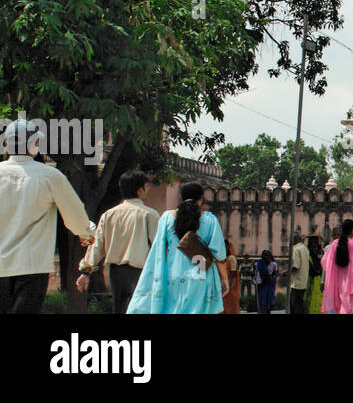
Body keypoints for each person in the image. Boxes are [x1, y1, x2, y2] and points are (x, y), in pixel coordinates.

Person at [0, 120, 96, 314]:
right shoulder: (49, 176)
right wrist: (86, 233)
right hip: (32, 264)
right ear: (34, 144)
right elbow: (73, 211)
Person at [127, 182, 227, 314]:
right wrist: (225, 279)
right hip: (202, 276)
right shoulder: (210, 220)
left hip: (172, 277)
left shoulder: (167, 218)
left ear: (181, 197)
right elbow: (219, 254)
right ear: (201, 198)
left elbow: (159, 250)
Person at [75, 169, 159, 314]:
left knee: (119, 309)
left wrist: (85, 271)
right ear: (140, 190)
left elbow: (97, 245)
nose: (149, 189)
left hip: (116, 272)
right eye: (147, 186)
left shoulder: (109, 215)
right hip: (140, 271)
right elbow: (158, 247)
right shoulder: (149, 214)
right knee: (140, 309)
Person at [322, 220, 353, 314]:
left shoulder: (335, 243)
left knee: (341, 307)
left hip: (339, 283)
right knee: (352, 308)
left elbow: (326, 263)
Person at [289, 233, 309, 314]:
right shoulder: (305, 248)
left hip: (296, 284)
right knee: (300, 306)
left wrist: (286, 271)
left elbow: (295, 266)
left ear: (295, 239)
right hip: (304, 282)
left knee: (295, 307)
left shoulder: (296, 249)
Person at [254, 249, 279, 314]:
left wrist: (272, 278)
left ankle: (268, 311)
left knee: (269, 299)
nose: (266, 257)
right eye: (265, 255)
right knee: (262, 299)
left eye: (267, 255)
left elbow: (276, 273)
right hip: (261, 284)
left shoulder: (274, 264)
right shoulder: (258, 263)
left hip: (270, 284)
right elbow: (254, 272)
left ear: (270, 256)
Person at [219, 250, 241, 314]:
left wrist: (229, 284)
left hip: (229, 283)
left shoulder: (231, 258)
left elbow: (233, 273)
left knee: (229, 304)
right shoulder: (221, 259)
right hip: (222, 283)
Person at [306, 236, 324, 314]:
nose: (314, 249)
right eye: (312, 247)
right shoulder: (308, 257)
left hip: (319, 283)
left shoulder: (321, 256)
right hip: (310, 283)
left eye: (315, 247)